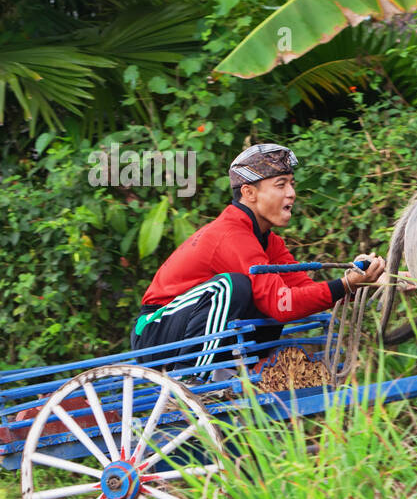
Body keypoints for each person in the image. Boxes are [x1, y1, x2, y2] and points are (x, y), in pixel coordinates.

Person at [130, 142, 383, 374]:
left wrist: (362, 282)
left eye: (292, 183)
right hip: (155, 331)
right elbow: (282, 305)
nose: (292, 193)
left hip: (185, 326)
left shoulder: (268, 240)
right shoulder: (230, 235)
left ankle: (246, 370)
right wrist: (345, 284)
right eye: (281, 185)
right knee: (234, 286)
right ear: (249, 193)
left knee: (264, 292)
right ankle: (189, 376)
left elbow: (302, 290)